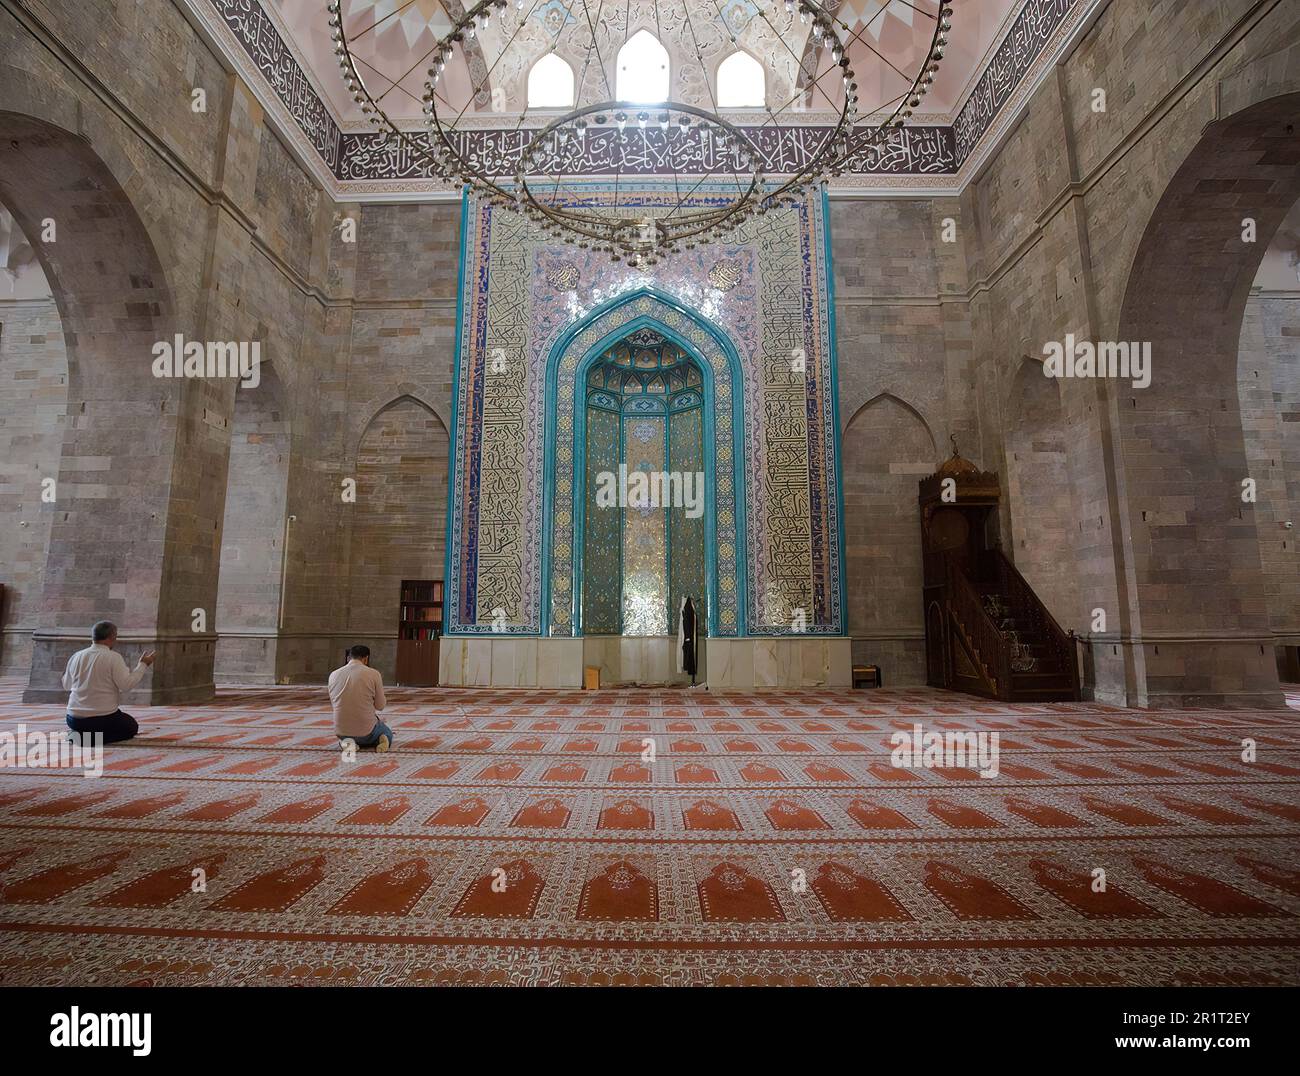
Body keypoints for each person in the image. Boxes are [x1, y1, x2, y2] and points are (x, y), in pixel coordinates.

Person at [62, 621, 156, 745]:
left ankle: (79, 735)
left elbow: (66, 685)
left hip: (73, 719)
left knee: (116, 722)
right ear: (112, 637)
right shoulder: (113, 657)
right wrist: (143, 665)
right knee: (131, 726)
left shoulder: (76, 656)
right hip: (102, 719)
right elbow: (126, 685)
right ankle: (89, 739)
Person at [328, 644, 392, 751]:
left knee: (345, 736)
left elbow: (334, 703)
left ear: (348, 658)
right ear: (366, 658)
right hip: (367, 733)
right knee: (386, 731)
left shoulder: (333, 675)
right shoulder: (374, 674)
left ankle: (347, 743)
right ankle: (383, 739)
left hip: (341, 731)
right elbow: (380, 706)